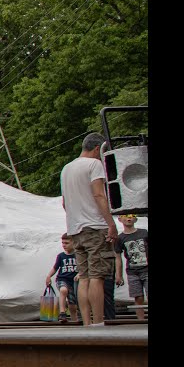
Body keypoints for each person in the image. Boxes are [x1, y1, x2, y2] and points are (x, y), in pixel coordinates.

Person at [60, 132, 119, 326]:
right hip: (95, 226)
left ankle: (86, 323)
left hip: (75, 229)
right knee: (97, 276)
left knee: (83, 276)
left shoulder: (66, 169)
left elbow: (64, 203)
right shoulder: (94, 165)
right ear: (97, 149)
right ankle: (99, 322)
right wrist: (111, 223)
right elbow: (99, 195)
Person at [115, 214, 149, 321]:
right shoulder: (120, 238)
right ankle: (141, 320)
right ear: (120, 219)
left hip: (146, 268)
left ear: (136, 218)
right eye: (125, 216)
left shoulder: (144, 233)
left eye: (132, 215)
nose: (129, 218)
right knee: (138, 297)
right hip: (132, 271)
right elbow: (118, 257)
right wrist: (119, 276)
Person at [44, 235, 79, 322]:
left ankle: (74, 319)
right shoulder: (61, 256)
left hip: (73, 281)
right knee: (63, 290)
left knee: (73, 304)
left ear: (73, 243)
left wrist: (79, 274)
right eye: (63, 243)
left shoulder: (77, 255)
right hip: (62, 279)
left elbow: (83, 267)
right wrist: (49, 276)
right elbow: (55, 268)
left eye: (66, 243)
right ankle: (62, 312)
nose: (64, 245)